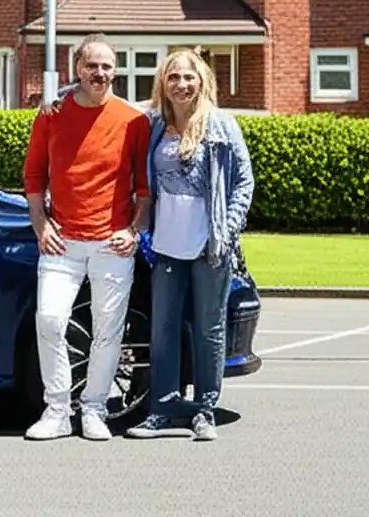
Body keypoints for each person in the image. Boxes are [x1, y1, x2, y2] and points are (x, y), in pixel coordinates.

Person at [22, 35, 151, 441]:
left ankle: (94, 408)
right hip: (62, 243)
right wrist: (41, 223)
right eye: (92, 66)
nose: (100, 73)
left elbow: (145, 187)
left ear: (116, 71)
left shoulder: (134, 121)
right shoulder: (51, 115)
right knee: (50, 320)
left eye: (107, 66)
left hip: (112, 244)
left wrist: (134, 230)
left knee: (108, 329)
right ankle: (57, 409)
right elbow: (33, 176)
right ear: (77, 68)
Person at [124, 48, 254, 441]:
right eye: (174, 77)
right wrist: (60, 97)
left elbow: (243, 183)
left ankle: (204, 411)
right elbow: (110, 106)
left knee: (208, 329)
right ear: (163, 82)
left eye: (189, 77)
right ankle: (161, 410)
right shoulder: (154, 125)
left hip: (210, 247)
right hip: (166, 246)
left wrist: (227, 231)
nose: (181, 84)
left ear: (202, 82)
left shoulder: (221, 125)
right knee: (163, 329)